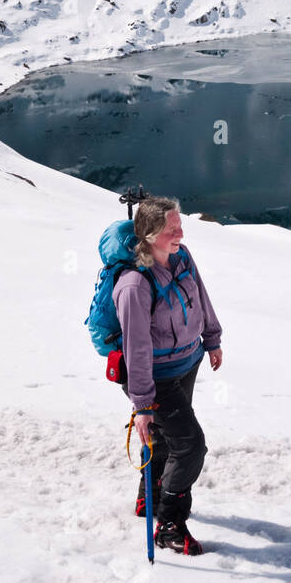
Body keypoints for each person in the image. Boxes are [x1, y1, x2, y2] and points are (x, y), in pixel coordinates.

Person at [113, 195, 223, 556]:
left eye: (179, 224)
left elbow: (201, 297)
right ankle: (170, 524)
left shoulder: (182, 257)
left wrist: (211, 339)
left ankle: (151, 496)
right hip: (154, 377)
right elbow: (137, 349)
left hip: (185, 362)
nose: (180, 231)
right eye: (171, 228)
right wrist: (142, 404)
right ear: (148, 235)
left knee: (166, 437)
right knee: (191, 445)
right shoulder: (134, 286)